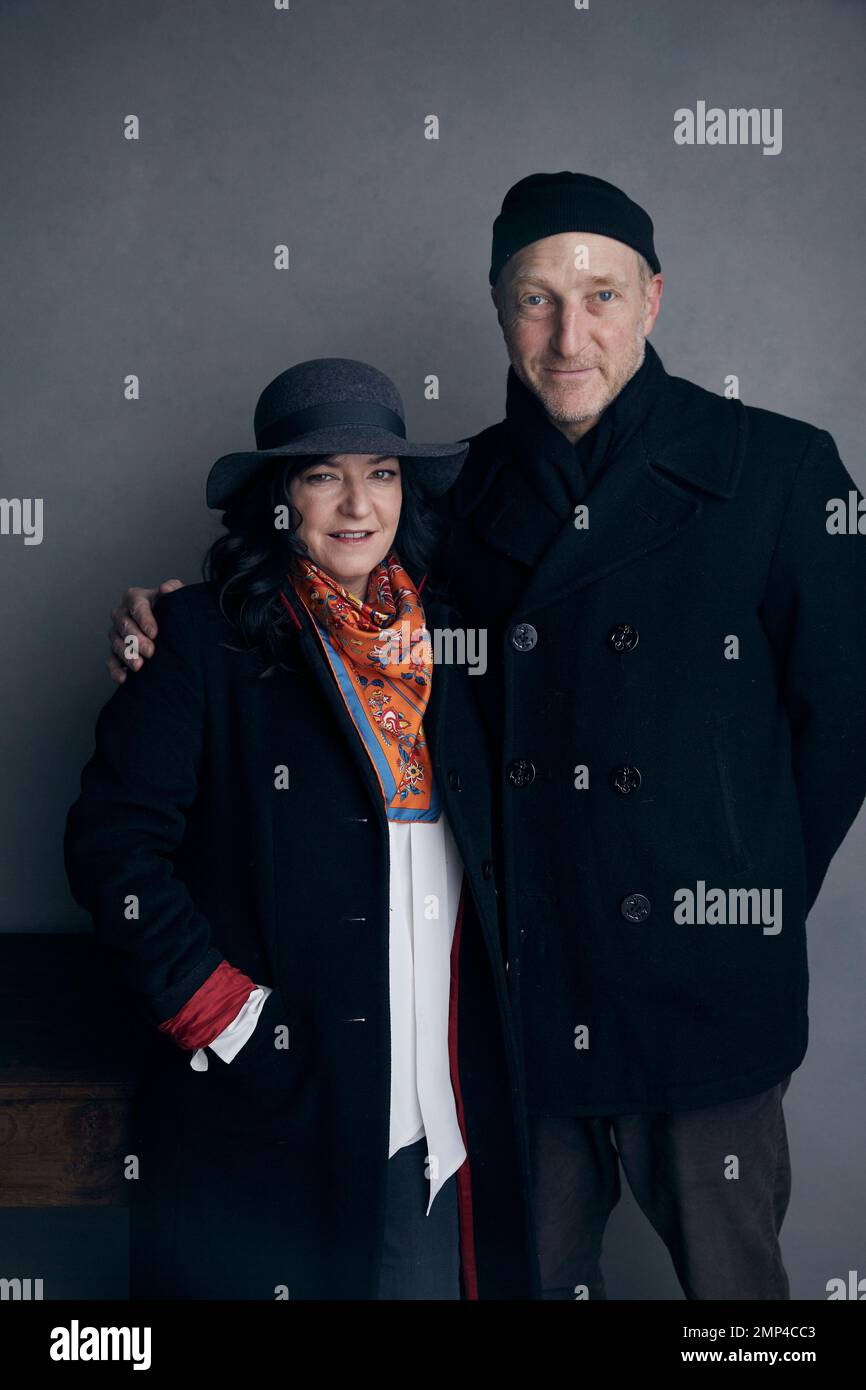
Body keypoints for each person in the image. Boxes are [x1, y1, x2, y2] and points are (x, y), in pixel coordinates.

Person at [105, 172, 866, 1301]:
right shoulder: (451, 495)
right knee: (529, 1282)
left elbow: (838, 727)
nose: (569, 334)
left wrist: (735, 893)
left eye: (600, 295)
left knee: (734, 1297)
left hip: (701, 987)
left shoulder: (781, 469)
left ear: (651, 299)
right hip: (521, 995)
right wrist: (174, 614)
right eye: (534, 299)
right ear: (497, 309)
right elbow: (322, 596)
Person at [65, 357, 539, 1301]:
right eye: (323, 474)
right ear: (277, 497)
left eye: (383, 472)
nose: (358, 502)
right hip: (278, 1098)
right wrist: (230, 1019)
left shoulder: (457, 641)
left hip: (437, 1110)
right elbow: (111, 846)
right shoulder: (199, 638)